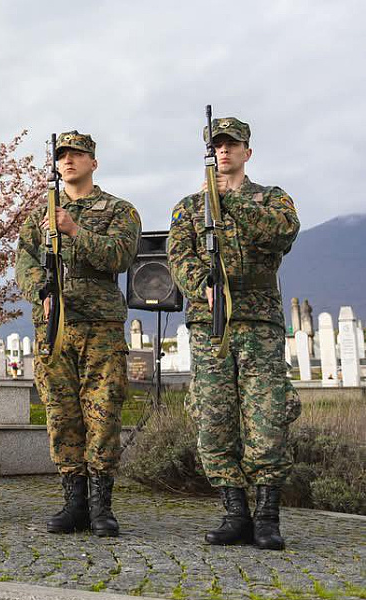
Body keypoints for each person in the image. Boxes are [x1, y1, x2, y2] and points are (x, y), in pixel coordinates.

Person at [167, 116, 300, 550]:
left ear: (247, 151)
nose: (224, 151)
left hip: (259, 323)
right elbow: (178, 257)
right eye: (217, 145)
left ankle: (267, 516)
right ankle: (234, 512)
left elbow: (281, 234)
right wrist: (200, 282)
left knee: (266, 419)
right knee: (214, 418)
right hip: (211, 325)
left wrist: (232, 203)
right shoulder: (188, 208)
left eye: (232, 144)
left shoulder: (271, 199)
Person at [15, 131, 141, 537]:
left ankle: (102, 506)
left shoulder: (118, 210)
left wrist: (73, 230)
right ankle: (73, 502)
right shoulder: (40, 215)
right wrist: (41, 289)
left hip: (100, 327)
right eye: (62, 155)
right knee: (61, 414)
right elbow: (24, 261)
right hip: (55, 327)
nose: (68, 161)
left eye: (78, 154)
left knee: (103, 414)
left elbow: (121, 255)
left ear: (93, 162)